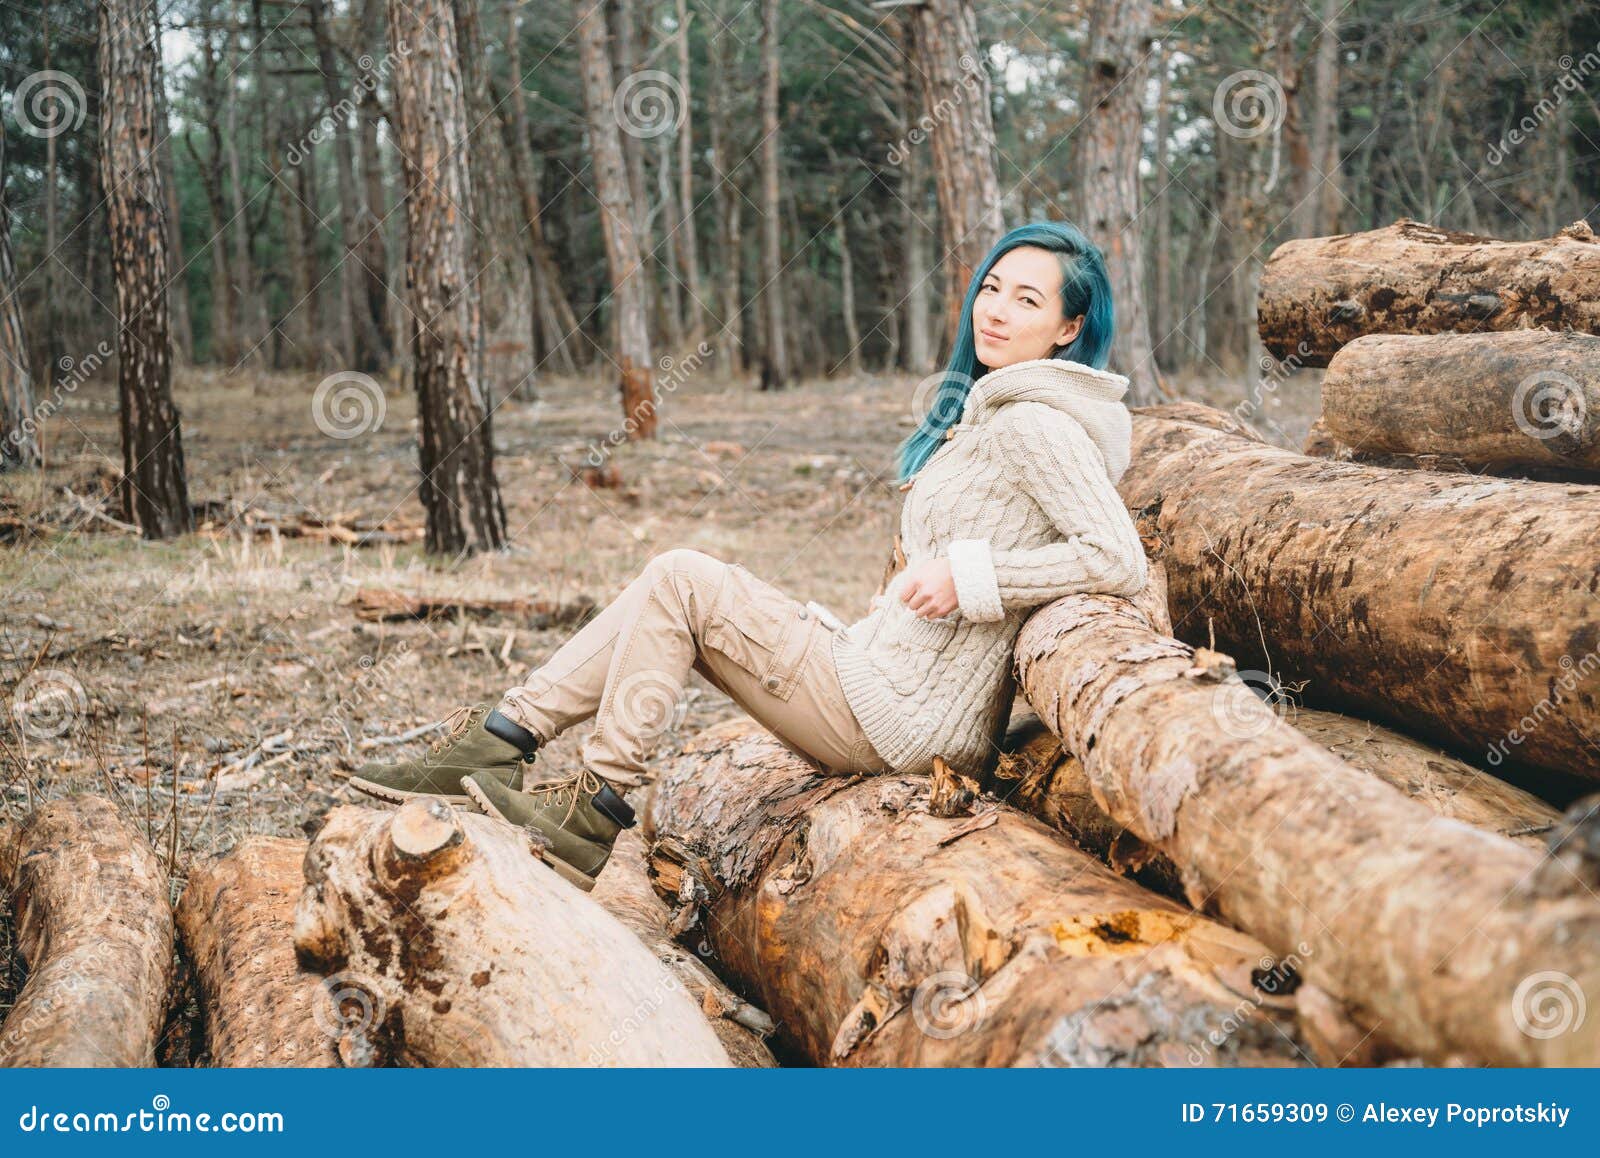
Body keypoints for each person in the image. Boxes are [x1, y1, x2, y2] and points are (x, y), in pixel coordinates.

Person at [347, 221, 1148, 892]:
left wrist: (972, 578)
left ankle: (582, 801)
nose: (997, 309)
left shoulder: (1037, 423)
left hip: (905, 724)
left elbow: (1117, 558)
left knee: (683, 578)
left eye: (1028, 299)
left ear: (1069, 328)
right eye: (993, 287)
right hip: (881, 683)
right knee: (672, 579)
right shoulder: (995, 409)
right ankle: (503, 737)